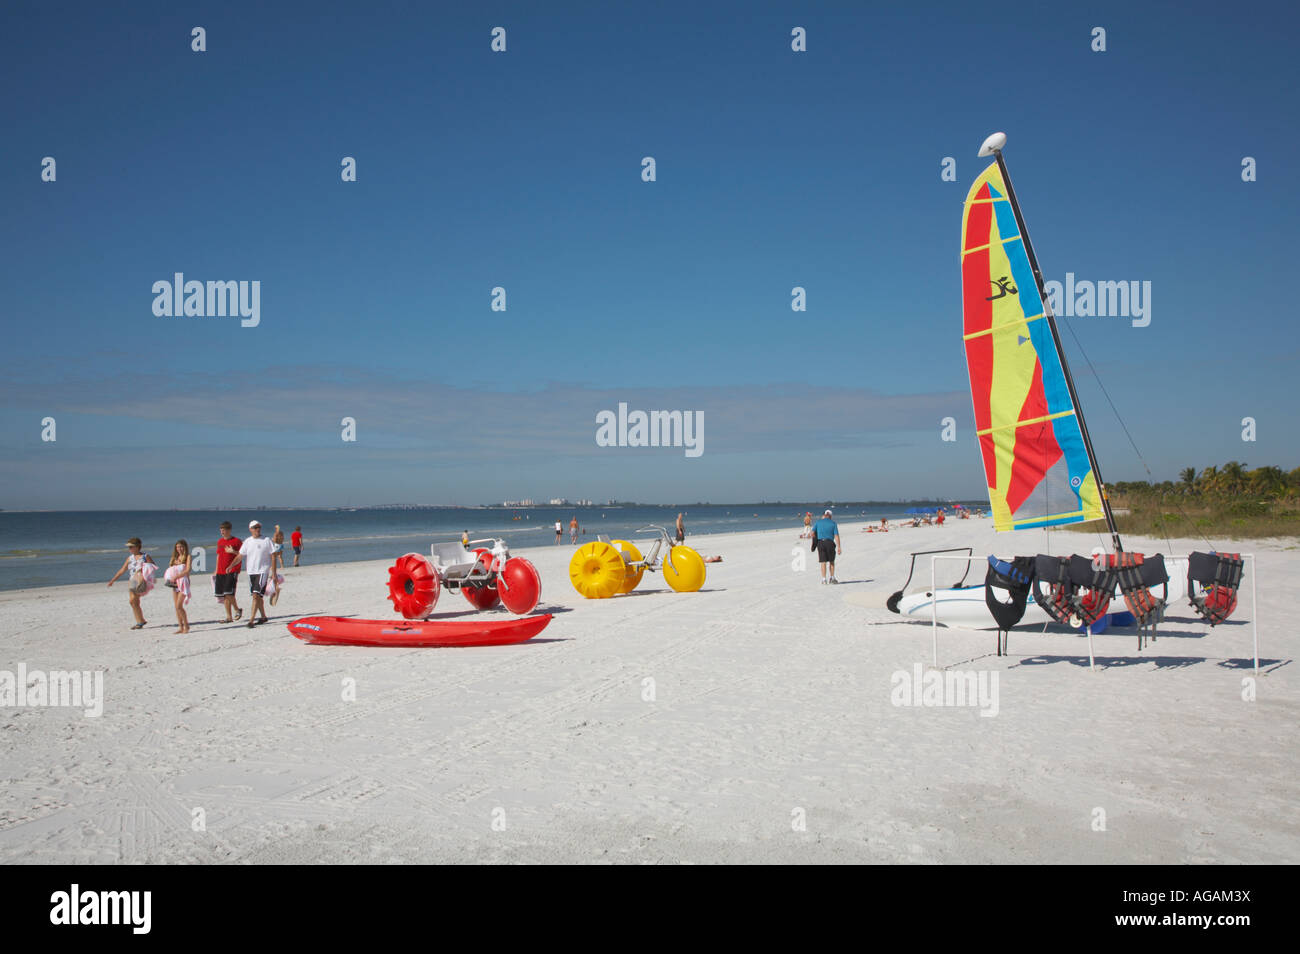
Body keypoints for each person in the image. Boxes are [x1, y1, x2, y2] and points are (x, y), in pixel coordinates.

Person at [230, 520, 275, 628]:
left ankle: (251, 620)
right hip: (251, 572)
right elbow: (240, 555)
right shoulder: (247, 541)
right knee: (258, 596)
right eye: (255, 527)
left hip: (262, 571)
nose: (257, 529)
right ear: (250, 529)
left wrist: (274, 572)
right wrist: (231, 566)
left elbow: (273, 555)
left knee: (255, 595)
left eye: (258, 527)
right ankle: (263, 617)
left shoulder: (266, 540)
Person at [107, 537, 155, 629]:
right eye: (129, 547)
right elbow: (122, 570)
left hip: (141, 580)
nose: (129, 549)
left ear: (137, 547)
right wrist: (113, 580)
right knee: (133, 602)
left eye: (131, 547)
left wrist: (143, 570)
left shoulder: (145, 556)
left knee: (133, 600)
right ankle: (140, 621)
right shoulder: (130, 558)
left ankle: (140, 622)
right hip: (132, 581)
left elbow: (153, 566)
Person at [214, 521, 243, 622]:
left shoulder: (236, 541)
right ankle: (229, 617)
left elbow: (242, 554)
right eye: (221, 529)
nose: (222, 531)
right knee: (224, 595)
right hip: (221, 571)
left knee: (228, 592)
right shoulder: (220, 542)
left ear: (229, 530)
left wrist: (233, 551)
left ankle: (237, 609)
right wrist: (216, 570)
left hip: (232, 569)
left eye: (224, 529)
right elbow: (218, 556)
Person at [164, 539, 192, 634]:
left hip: (183, 582)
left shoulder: (187, 557)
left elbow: (187, 570)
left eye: (181, 547)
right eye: (177, 547)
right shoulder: (174, 558)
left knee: (179, 606)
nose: (179, 549)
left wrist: (177, 576)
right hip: (175, 583)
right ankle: (181, 627)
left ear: (185, 547)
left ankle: (186, 626)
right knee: (176, 607)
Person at [811, 508, 842, 584]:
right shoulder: (833, 523)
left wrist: (815, 541)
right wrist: (839, 547)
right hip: (830, 543)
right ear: (830, 516)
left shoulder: (818, 522)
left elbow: (812, 533)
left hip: (820, 543)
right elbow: (836, 536)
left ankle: (824, 579)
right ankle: (832, 578)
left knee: (823, 562)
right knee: (831, 561)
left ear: (824, 515)